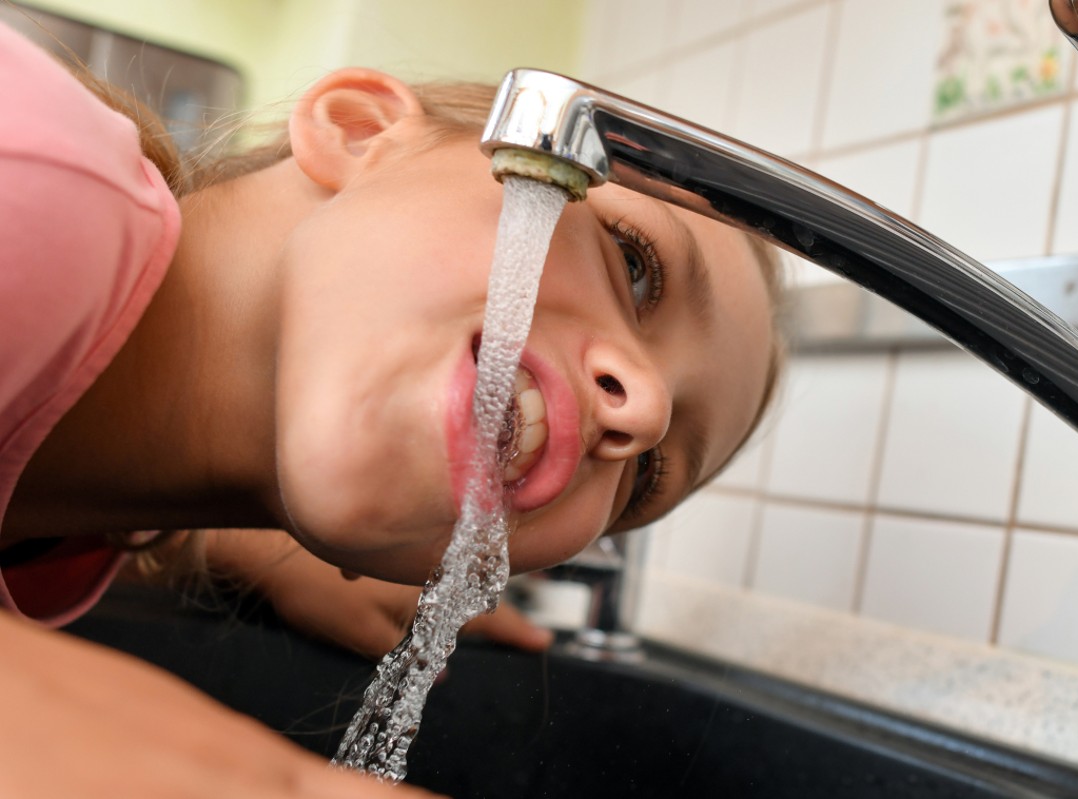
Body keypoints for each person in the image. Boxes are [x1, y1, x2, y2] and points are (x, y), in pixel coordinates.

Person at [0, 16, 782, 799]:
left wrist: (223, 544)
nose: (641, 411)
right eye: (636, 266)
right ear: (360, 129)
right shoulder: (39, 172)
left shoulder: (69, 508)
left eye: (644, 479)